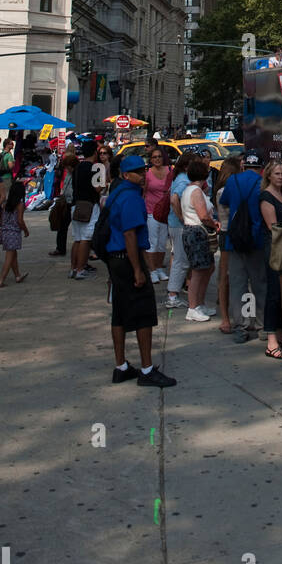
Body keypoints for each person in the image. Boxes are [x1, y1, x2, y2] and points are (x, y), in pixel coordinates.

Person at [106, 153, 176, 388]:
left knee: (119, 314)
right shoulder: (132, 198)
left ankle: (121, 366)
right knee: (144, 315)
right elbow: (129, 234)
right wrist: (138, 269)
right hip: (128, 259)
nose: (142, 175)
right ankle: (146, 369)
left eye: (142, 170)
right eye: (137, 172)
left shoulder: (116, 193)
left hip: (115, 258)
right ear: (127, 175)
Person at [220, 159, 266, 344]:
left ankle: (242, 326)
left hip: (236, 239)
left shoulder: (233, 181)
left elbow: (224, 202)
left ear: (243, 166)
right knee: (260, 284)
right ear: (260, 167)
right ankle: (263, 326)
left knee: (239, 285)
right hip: (257, 239)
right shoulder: (263, 183)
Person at [259, 159, 282, 359]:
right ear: (269, 175)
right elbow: (274, 228)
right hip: (274, 249)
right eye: (277, 174)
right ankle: (271, 341)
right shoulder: (266, 197)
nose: (280, 177)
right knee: (273, 294)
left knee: (281, 293)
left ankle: (279, 336)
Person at [180, 159, 220, 324]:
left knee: (207, 268)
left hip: (193, 231)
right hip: (197, 232)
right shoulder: (196, 191)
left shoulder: (190, 190)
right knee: (198, 271)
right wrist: (215, 224)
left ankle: (199, 304)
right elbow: (203, 216)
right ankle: (192, 307)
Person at [214, 156, 242, 333]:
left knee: (230, 276)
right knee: (226, 276)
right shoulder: (224, 191)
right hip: (228, 233)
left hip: (230, 233)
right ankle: (226, 317)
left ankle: (234, 315)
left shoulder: (223, 189)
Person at [68, 142, 102, 281]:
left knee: (77, 239)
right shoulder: (96, 168)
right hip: (89, 205)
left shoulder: (78, 167)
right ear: (95, 153)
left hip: (76, 205)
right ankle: (81, 269)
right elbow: (98, 188)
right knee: (85, 239)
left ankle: (73, 268)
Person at [165, 153, 191, 310]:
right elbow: (174, 199)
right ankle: (173, 295)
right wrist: (182, 217)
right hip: (178, 225)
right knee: (180, 261)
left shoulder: (179, 178)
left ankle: (173, 293)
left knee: (179, 259)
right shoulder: (183, 180)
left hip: (174, 224)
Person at [144, 148, 172, 284]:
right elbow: (143, 193)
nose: (157, 159)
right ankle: (152, 270)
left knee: (162, 244)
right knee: (153, 243)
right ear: (151, 159)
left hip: (165, 212)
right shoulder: (148, 174)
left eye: (159, 156)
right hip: (151, 212)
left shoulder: (169, 171)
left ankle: (159, 267)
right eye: (154, 157)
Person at [0, 179, 30, 287]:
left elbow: (1, 220)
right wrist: (25, 230)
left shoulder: (6, 204)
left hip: (5, 232)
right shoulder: (19, 205)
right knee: (9, 258)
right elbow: (20, 220)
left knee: (13, 255)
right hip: (14, 233)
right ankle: (1, 280)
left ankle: (17, 275)